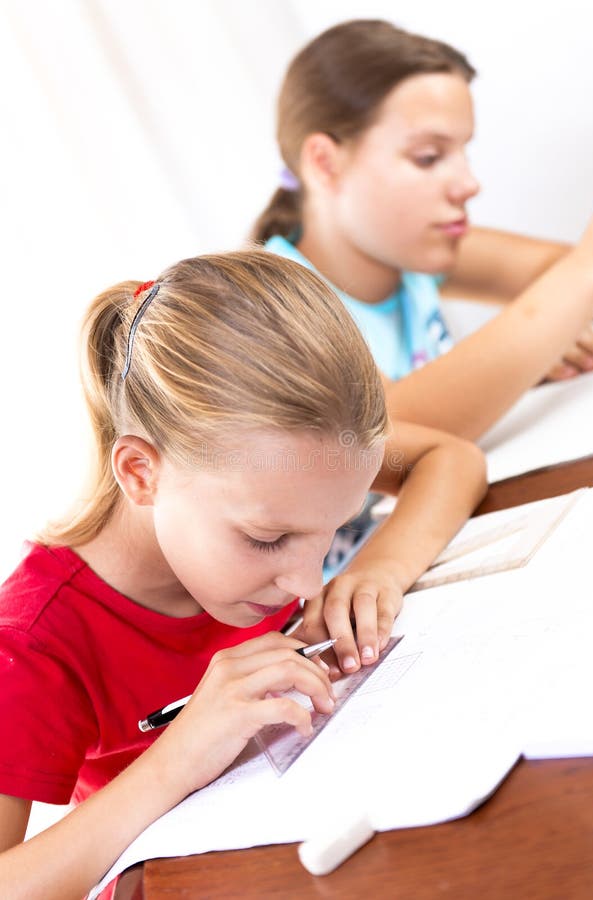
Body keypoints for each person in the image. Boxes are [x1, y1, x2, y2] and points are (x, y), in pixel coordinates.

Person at [0, 250, 485, 899]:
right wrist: (178, 758)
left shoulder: (290, 460)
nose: (307, 585)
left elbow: (448, 457)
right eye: (269, 539)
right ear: (143, 474)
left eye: (335, 529)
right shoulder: (32, 641)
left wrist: (379, 569)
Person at [253, 18, 593, 441]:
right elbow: (389, 435)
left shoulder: (408, 251)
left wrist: (539, 349)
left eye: (463, 151)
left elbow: (551, 273)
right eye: (428, 157)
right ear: (325, 163)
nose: (470, 184)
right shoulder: (272, 310)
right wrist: (585, 274)